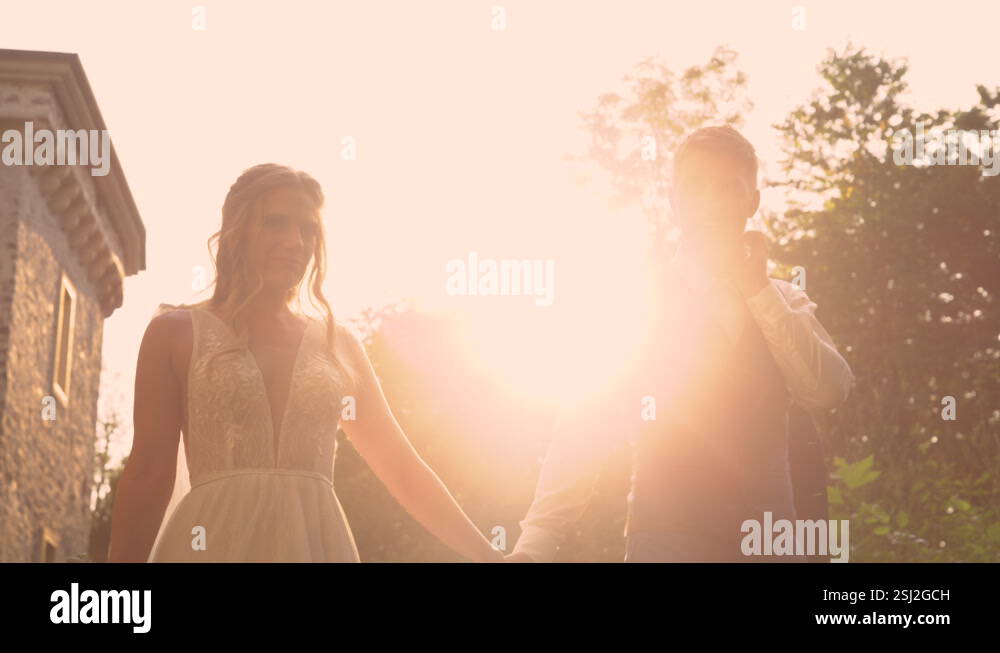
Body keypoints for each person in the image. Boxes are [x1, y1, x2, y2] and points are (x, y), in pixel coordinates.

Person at [107, 163, 503, 563]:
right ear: (235, 231)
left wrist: (491, 557)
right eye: (275, 224)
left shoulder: (339, 346)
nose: (295, 241)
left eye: (307, 229)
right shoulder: (173, 333)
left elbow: (402, 468)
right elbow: (148, 474)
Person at [505, 125, 856, 562]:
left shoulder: (784, 298)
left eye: (729, 187)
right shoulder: (634, 300)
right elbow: (586, 424)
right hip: (667, 543)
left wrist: (757, 290)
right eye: (696, 186)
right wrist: (536, 542)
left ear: (752, 202)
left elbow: (827, 391)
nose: (711, 201)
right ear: (674, 199)